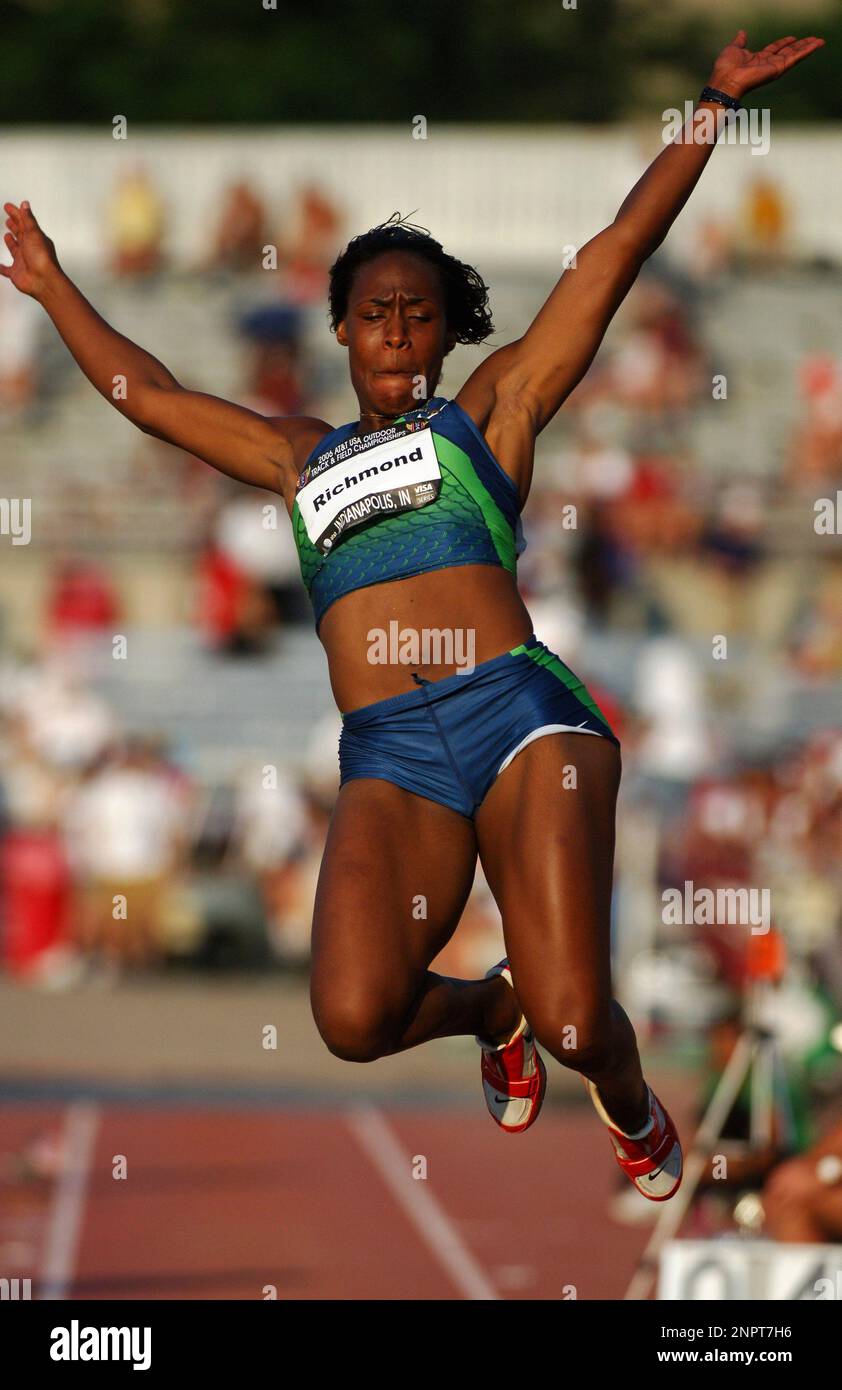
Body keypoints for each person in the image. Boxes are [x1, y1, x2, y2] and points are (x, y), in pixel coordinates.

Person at [2, 28, 824, 1201]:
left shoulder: (488, 417)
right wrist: (51, 285)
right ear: (339, 329)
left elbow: (610, 258)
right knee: (350, 1013)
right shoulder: (298, 457)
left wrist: (707, 104)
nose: (395, 326)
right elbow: (155, 397)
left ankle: (629, 1099)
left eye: (418, 312)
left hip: (518, 719)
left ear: (445, 334)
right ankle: (489, 1006)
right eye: (373, 310)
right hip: (392, 756)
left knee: (580, 1022)